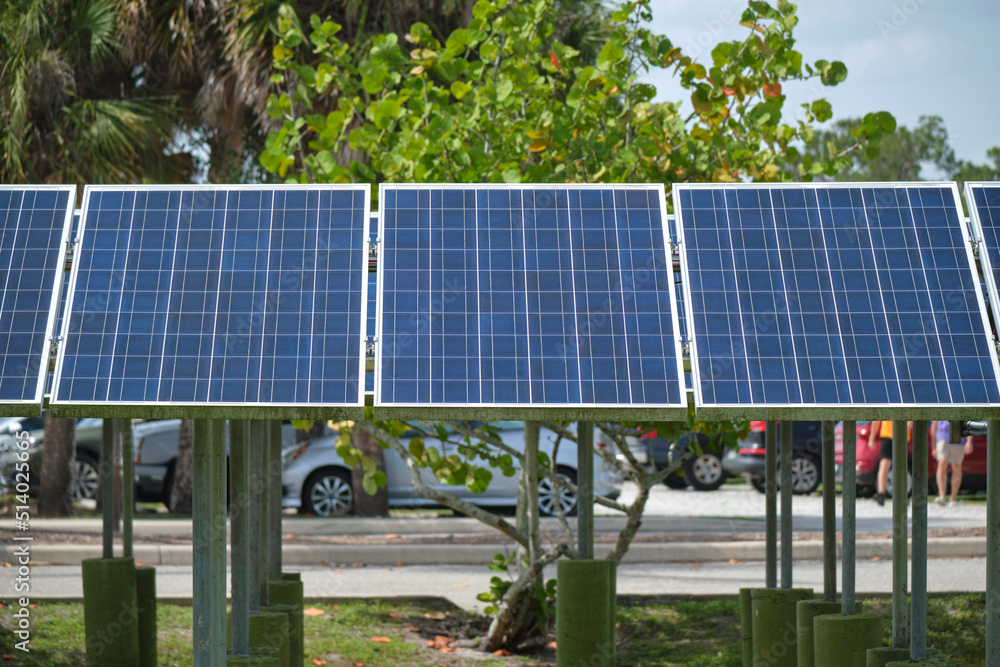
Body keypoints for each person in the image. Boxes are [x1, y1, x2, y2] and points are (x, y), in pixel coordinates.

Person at [933, 420, 972, 507]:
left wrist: (969, 441)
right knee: (942, 462)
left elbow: (968, 420)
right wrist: (933, 447)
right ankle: (942, 496)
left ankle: (953, 498)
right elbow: (934, 424)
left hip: (959, 437)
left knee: (957, 466)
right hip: (942, 436)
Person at [867, 419, 894, 506]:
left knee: (885, 465)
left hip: (888, 434)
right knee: (889, 465)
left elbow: (876, 419)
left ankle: (881, 492)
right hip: (896, 435)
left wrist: (872, 437)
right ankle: (882, 492)